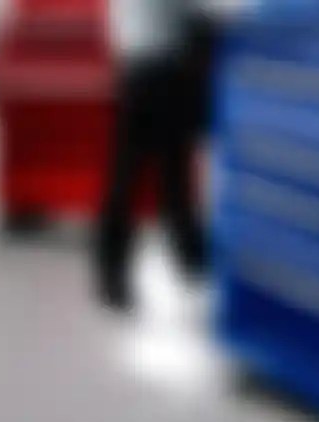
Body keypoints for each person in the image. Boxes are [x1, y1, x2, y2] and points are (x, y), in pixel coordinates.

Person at [96, 0, 216, 310]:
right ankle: (192, 259)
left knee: (127, 176)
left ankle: (113, 275)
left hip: (134, 70)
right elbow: (198, 14)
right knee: (173, 174)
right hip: (164, 72)